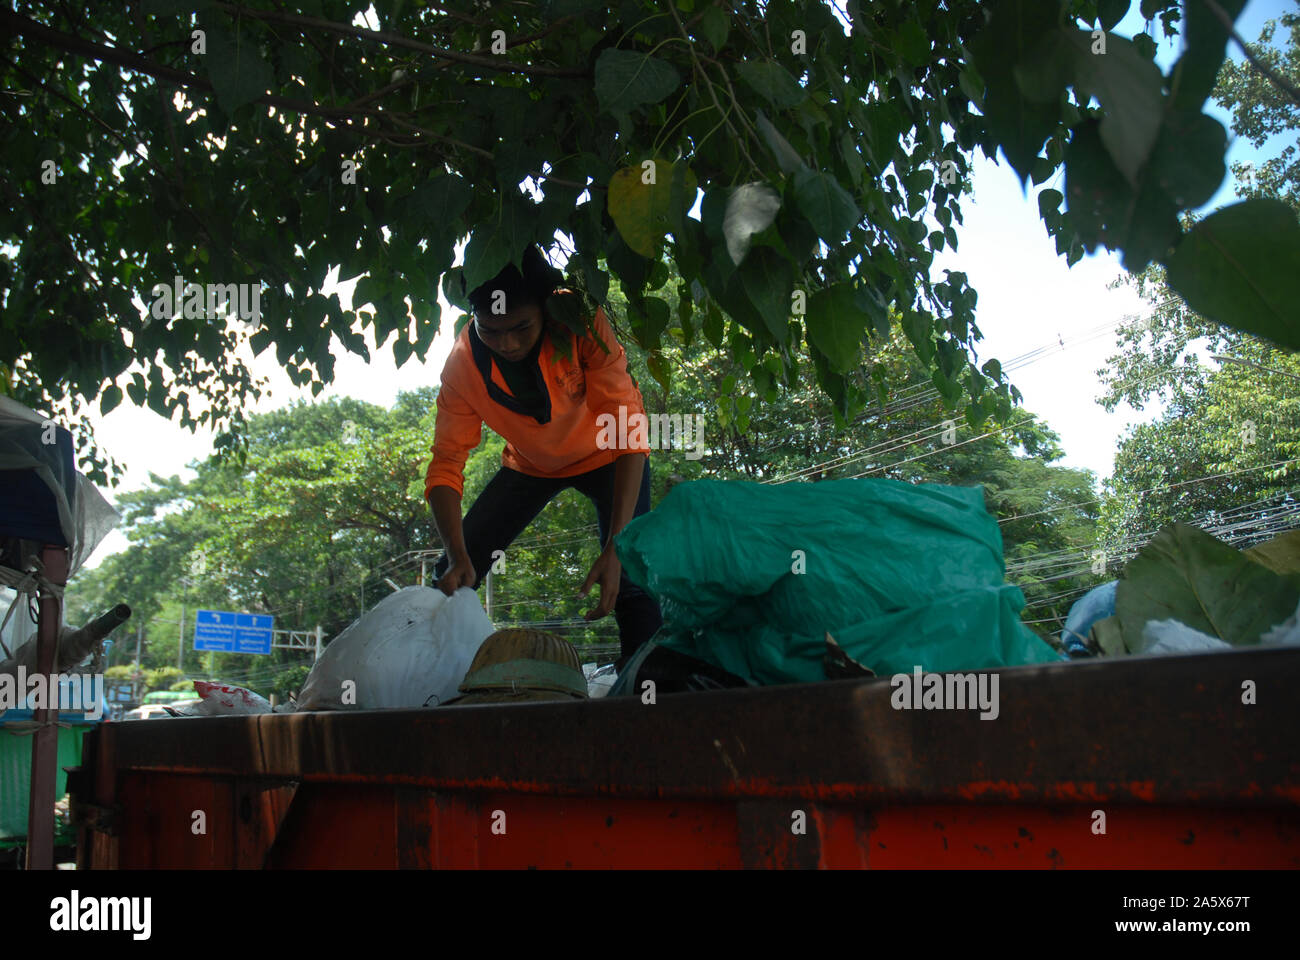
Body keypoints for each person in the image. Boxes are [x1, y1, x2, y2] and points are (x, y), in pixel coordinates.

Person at [424, 245, 663, 670]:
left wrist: (616, 546)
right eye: (490, 331)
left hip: (609, 456)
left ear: (546, 309)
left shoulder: (580, 323)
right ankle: (433, 682)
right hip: (530, 466)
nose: (507, 344)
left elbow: (627, 431)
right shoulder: (462, 365)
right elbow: (446, 464)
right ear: (473, 319)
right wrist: (458, 552)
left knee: (631, 575)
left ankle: (646, 693)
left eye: (520, 327)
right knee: (451, 574)